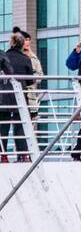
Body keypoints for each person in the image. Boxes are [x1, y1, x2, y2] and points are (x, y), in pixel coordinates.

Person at [0, 33, 34, 162]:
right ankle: (23, 155)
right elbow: (30, 81)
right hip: (20, 96)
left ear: (11, 43)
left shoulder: (4, 56)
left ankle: (3, 155)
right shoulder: (25, 58)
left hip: (3, 97)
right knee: (21, 125)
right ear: (21, 45)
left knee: (3, 126)